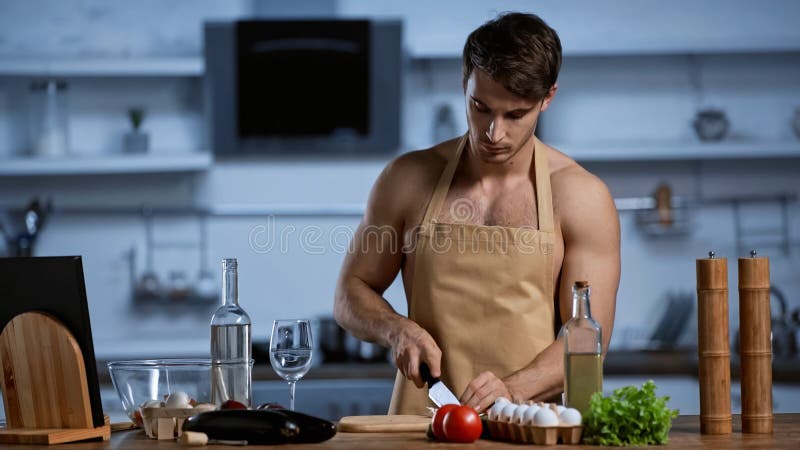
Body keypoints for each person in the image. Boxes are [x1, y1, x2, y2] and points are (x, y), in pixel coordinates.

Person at [334, 12, 620, 415]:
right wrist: (396, 330)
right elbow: (351, 291)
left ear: (547, 97)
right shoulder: (407, 179)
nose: (493, 133)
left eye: (515, 115)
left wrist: (513, 390)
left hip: (525, 424)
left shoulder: (581, 196)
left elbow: (589, 341)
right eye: (480, 107)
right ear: (464, 82)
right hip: (420, 426)